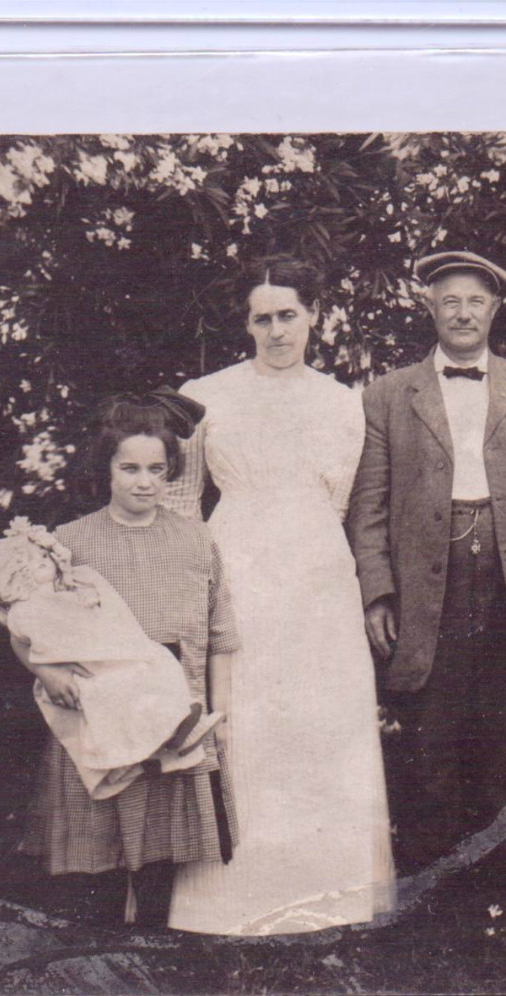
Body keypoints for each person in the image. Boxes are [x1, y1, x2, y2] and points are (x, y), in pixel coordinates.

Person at [164, 255, 395, 936]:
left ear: (313, 316)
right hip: (235, 566)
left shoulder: (341, 400)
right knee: (248, 719)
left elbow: (339, 496)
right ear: (245, 324)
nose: (275, 331)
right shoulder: (203, 395)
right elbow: (180, 503)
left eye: (288, 315)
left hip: (318, 573)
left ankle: (332, 896)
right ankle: (236, 901)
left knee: (321, 723)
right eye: (261, 318)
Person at [347, 250, 506, 872]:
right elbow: (368, 505)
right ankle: (434, 892)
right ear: (429, 306)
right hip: (429, 583)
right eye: (450, 300)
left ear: (495, 309)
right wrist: (377, 590)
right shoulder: (386, 395)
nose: (463, 313)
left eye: (476, 301)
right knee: (431, 737)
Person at [19, 390, 239, 928]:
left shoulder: (194, 539)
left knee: (161, 863)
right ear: (108, 470)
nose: (144, 481)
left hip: (170, 719)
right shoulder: (71, 543)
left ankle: (156, 961)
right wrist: (46, 670)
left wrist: (220, 716)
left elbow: (220, 635)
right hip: (98, 716)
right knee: (100, 862)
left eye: (157, 469)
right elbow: (27, 628)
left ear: (171, 473)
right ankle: (99, 965)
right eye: (130, 468)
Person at [0, 516, 221, 800]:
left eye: (44, 554)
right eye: (32, 562)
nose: (43, 560)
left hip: (104, 656)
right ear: (18, 575)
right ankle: (142, 755)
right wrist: (46, 669)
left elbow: (104, 622)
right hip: (79, 672)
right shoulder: (25, 610)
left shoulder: (76, 586)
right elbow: (26, 642)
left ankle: (176, 729)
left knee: (155, 664)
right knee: (113, 691)